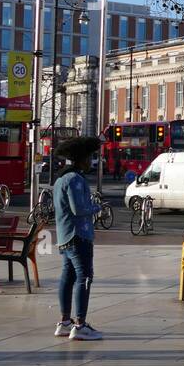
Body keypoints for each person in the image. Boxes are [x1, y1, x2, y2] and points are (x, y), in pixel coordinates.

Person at [52, 136, 103, 341]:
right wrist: (98, 207)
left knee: (68, 277)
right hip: (78, 235)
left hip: (65, 235)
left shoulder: (60, 179)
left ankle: (65, 322)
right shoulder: (75, 179)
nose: (91, 161)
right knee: (85, 277)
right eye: (90, 157)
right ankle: (80, 325)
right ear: (81, 159)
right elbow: (79, 208)